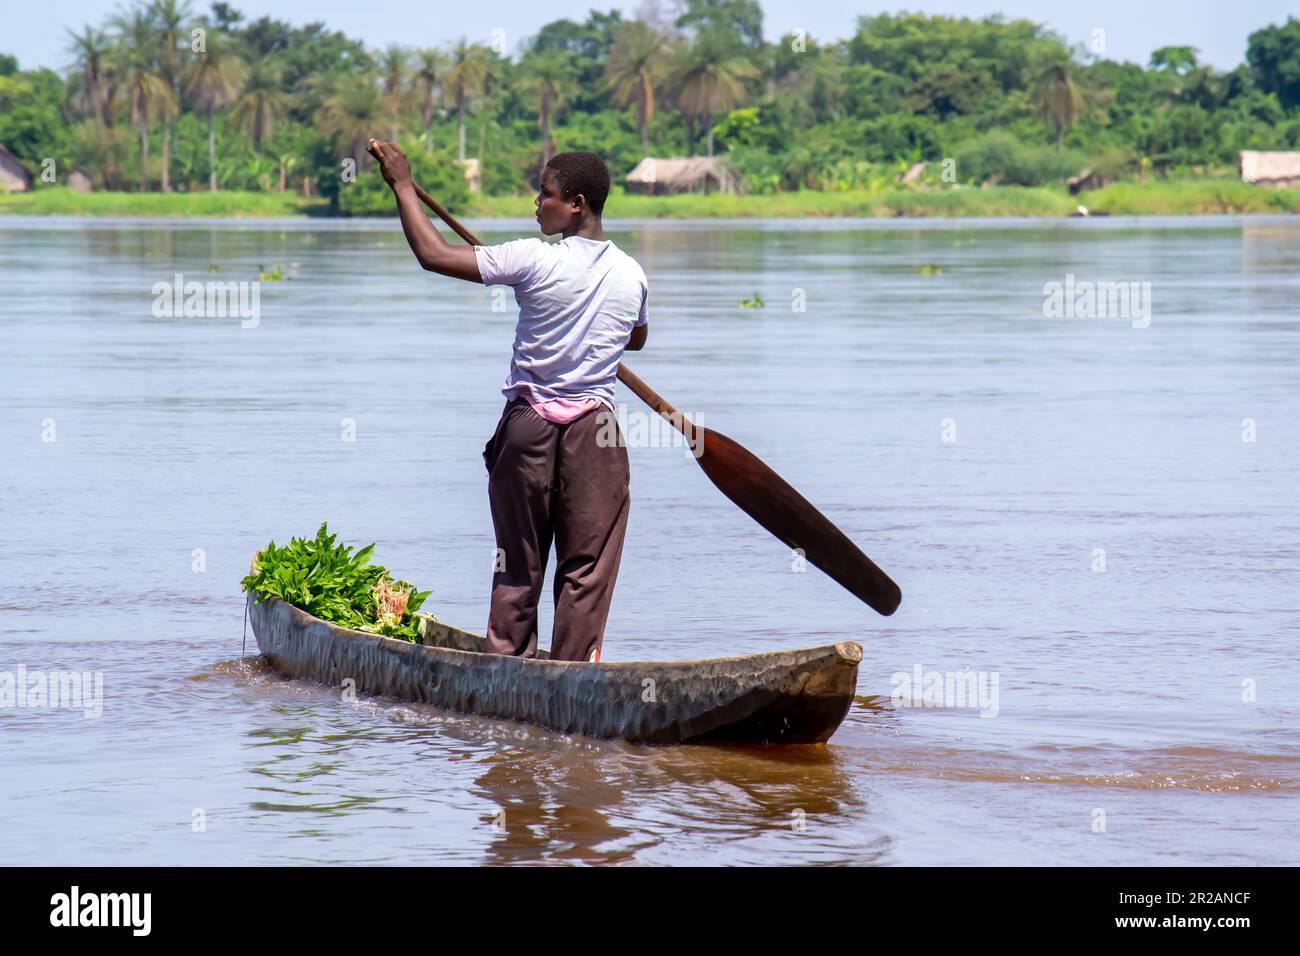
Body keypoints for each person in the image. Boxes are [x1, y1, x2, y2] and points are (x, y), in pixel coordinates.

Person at [368, 140, 648, 663]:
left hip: (529, 429)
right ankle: (573, 675)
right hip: (597, 434)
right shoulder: (633, 274)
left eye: (545, 194)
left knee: (517, 563)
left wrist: (403, 186)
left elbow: (432, 255)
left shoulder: (531, 258)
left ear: (577, 204)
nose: (536, 204)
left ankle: (508, 667)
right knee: (586, 569)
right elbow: (636, 339)